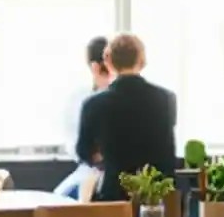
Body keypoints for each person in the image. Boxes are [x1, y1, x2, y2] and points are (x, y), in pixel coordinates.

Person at [75, 33, 177, 202]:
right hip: (156, 194)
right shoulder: (166, 99)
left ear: (108, 62)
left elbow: (84, 152)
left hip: (114, 195)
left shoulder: (93, 104)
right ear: (142, 60)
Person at [54, 36, 112, 199]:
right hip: (89, 171)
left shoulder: (127, 99)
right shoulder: (80, 100)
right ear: (95, 68)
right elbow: (76, 146)